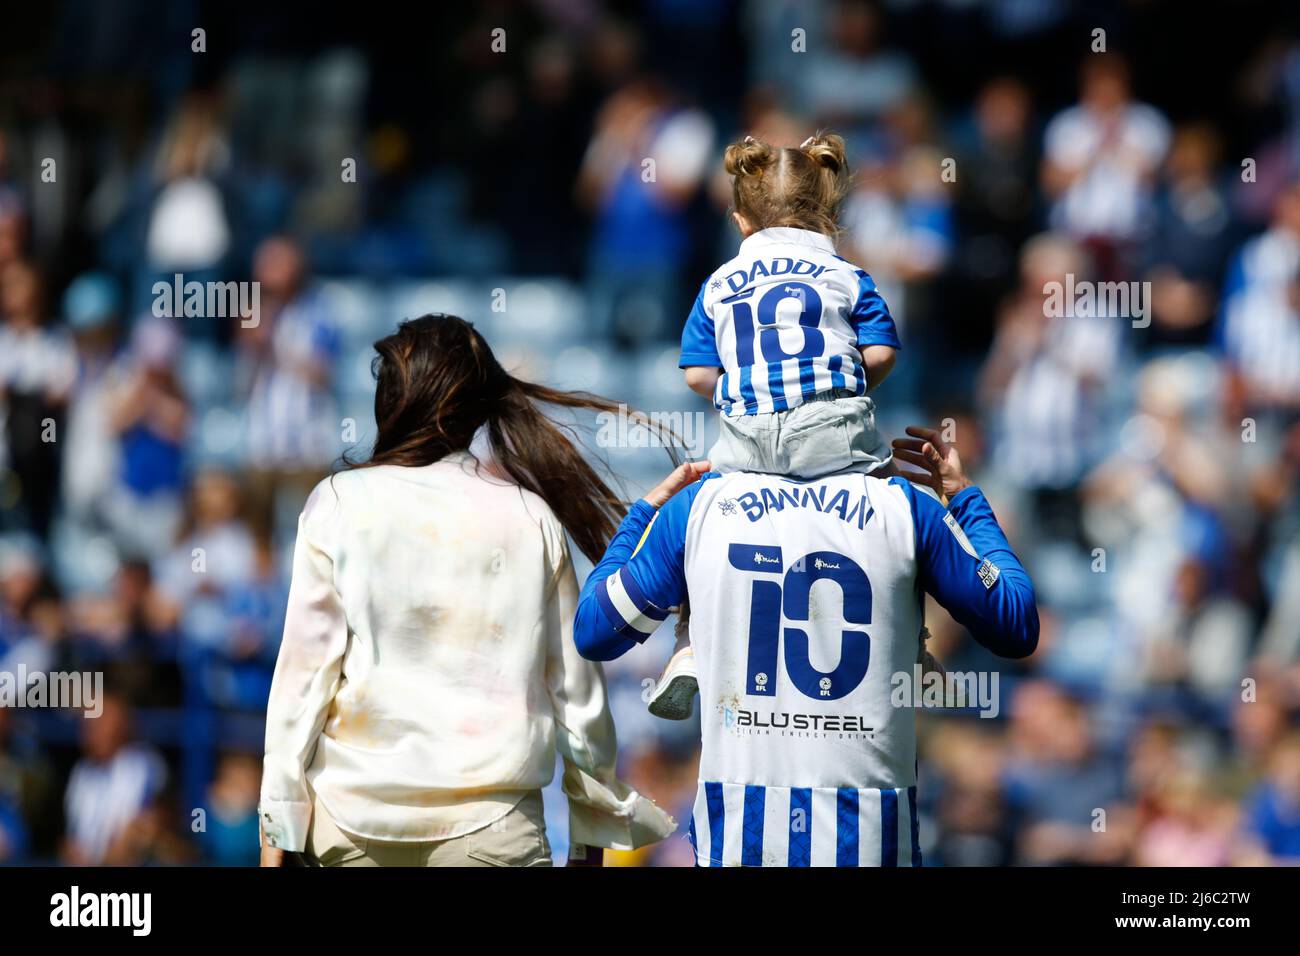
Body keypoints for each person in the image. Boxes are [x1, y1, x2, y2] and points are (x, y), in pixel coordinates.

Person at [259, 314, 674, 867]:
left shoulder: (336, 503)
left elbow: (301, 685)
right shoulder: (530, 516)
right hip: (495, 832)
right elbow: (578, 698)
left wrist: (278, 830)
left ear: (392, 399)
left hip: (352, 828)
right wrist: (591, 833)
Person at [573, 426, 1038, 866]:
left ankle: (690, 638)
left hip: (741, 831)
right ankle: (909, 644)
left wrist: (644, 514)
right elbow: (1016, 623)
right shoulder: (907, 505)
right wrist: (966, 501)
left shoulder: (699, 504)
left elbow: (594, 631)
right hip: (866, 834)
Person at [652, 130, 901, 719]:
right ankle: (914, 648)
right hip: (834, 433)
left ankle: (686, 648)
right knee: (901, 506)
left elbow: (694, 375)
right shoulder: (849, 275)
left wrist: (745, 389)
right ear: (830, 214)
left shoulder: (718, 283)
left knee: (701, 517)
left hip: (747, 440)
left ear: (741, 221)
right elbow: (883, 355)